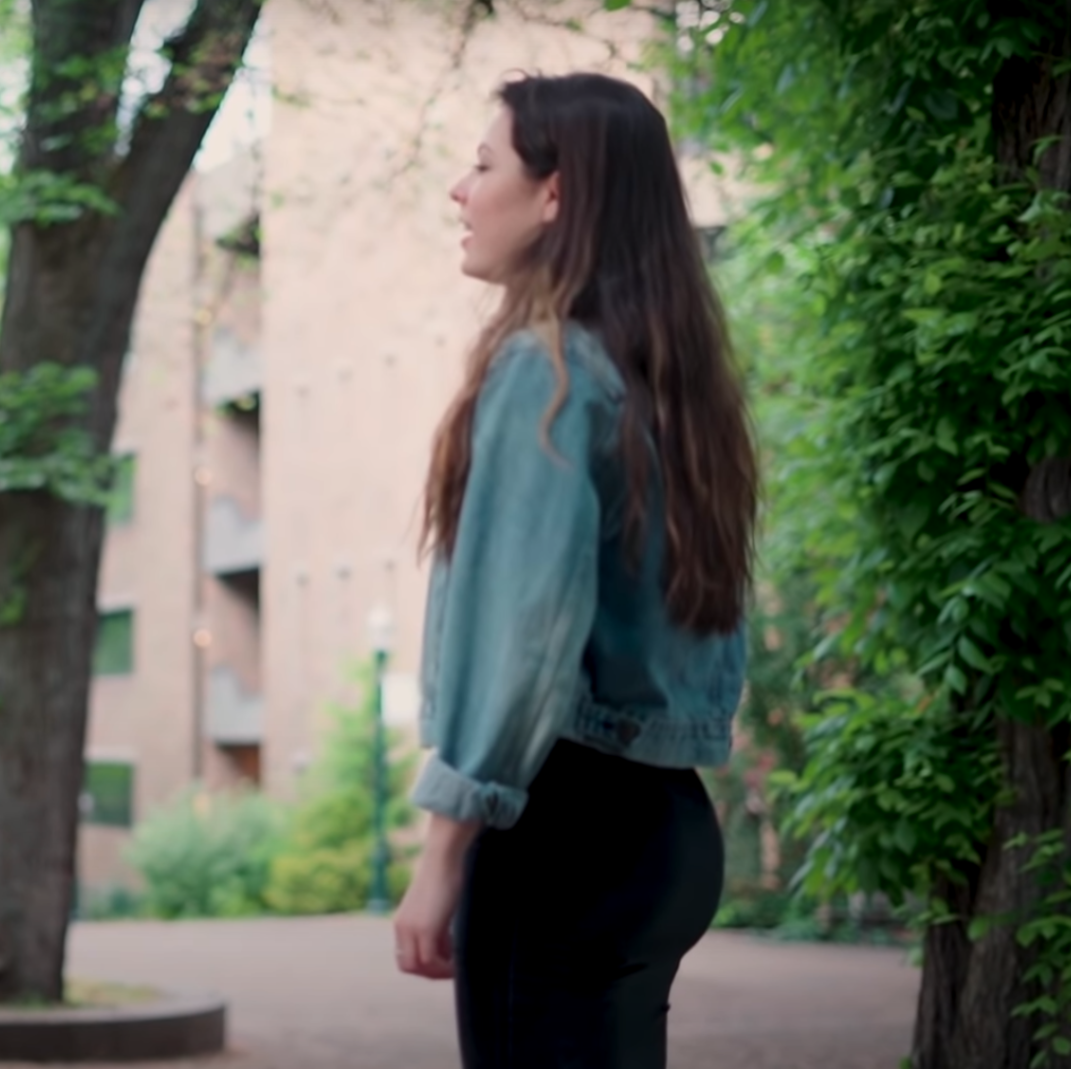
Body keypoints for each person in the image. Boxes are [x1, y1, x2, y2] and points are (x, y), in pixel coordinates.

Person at [391, 72, 759, 1069]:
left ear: (555, 195)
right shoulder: (673, 393)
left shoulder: (543, 376)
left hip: (560, 835)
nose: (458, 193)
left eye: (482, 165)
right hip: (664, 828)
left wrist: (441, 852)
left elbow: (522, 632)